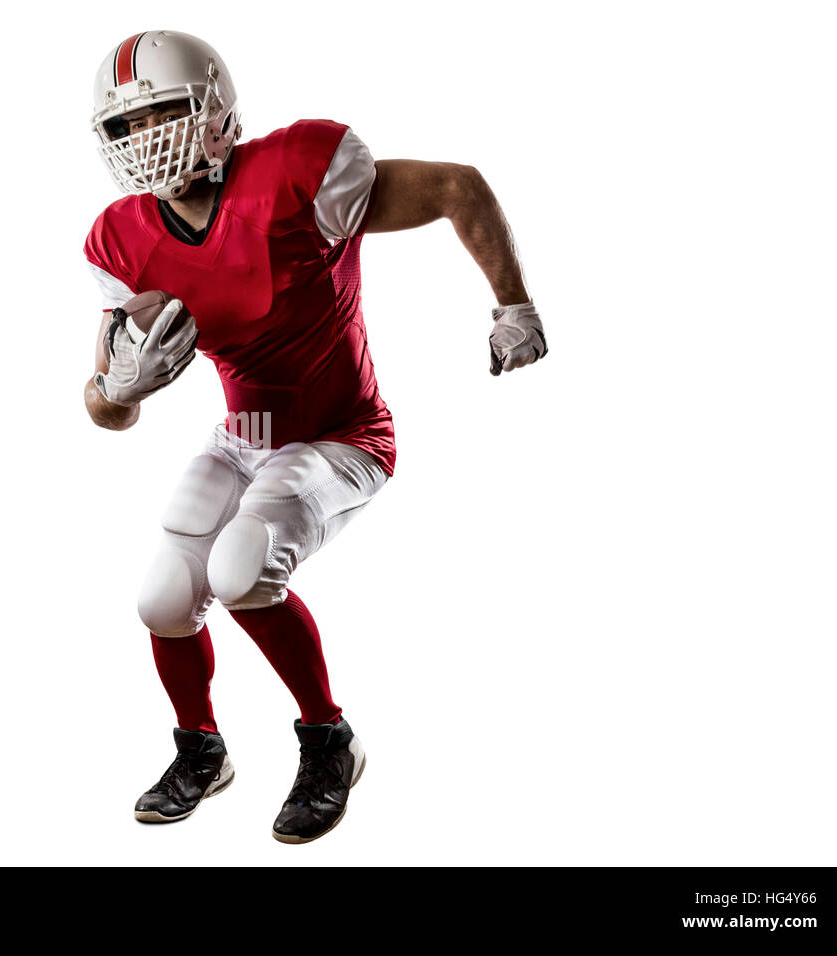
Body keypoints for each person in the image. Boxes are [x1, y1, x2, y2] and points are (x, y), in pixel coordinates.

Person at [82, 30, 547, 844]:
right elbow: (105, 410)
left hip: (342, 433)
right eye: (126, 126)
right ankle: (202, 751)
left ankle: (330, 740)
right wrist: (116, 389)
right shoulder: (122, 237)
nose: (144, 140)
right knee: (161, 593)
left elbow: (455, 186)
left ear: (216, 110)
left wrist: (513, 303)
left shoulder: (293, 175)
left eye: (162, 113)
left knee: (238, 568)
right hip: (247, 432)